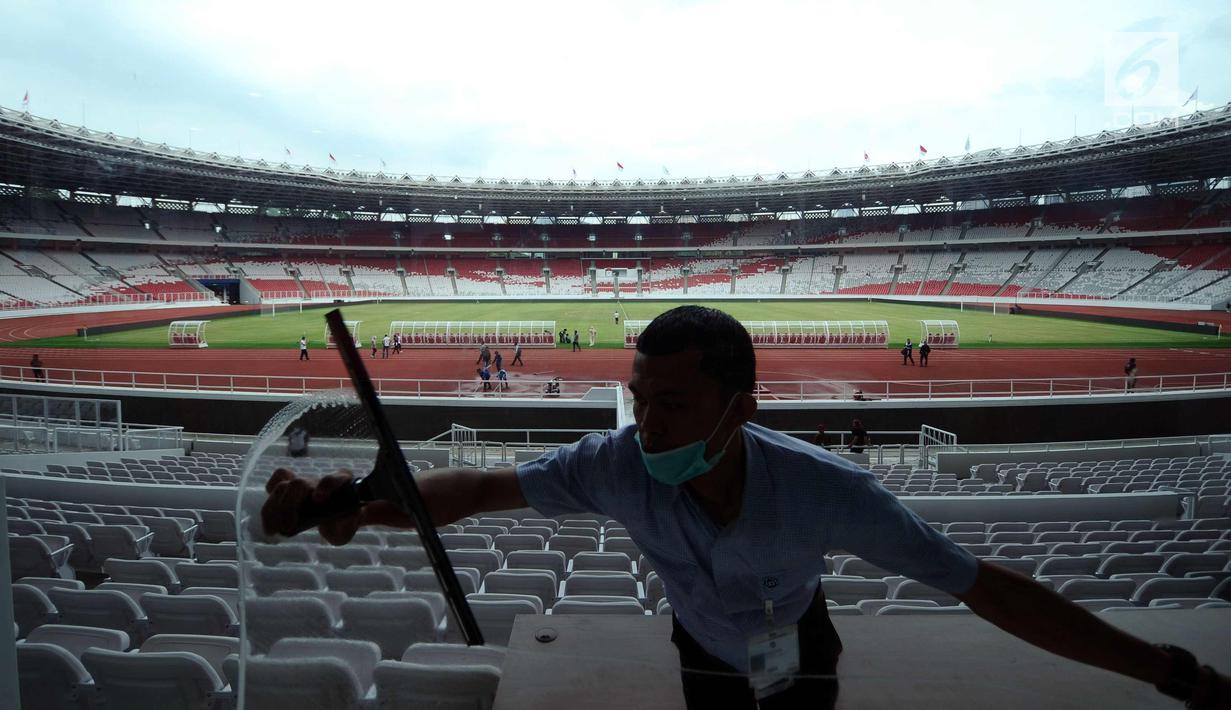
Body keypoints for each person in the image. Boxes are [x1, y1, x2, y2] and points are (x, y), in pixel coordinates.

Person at [262, 305, 1230, 710]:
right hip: (698, 645)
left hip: (799, 646)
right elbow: (473, 488)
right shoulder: (611, 461)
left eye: (670, 402)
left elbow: (985, 587)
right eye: (638, 394)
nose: (643, 422)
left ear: (740, 407)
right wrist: (358, 505)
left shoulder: (828, 490)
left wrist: (1163, 667)